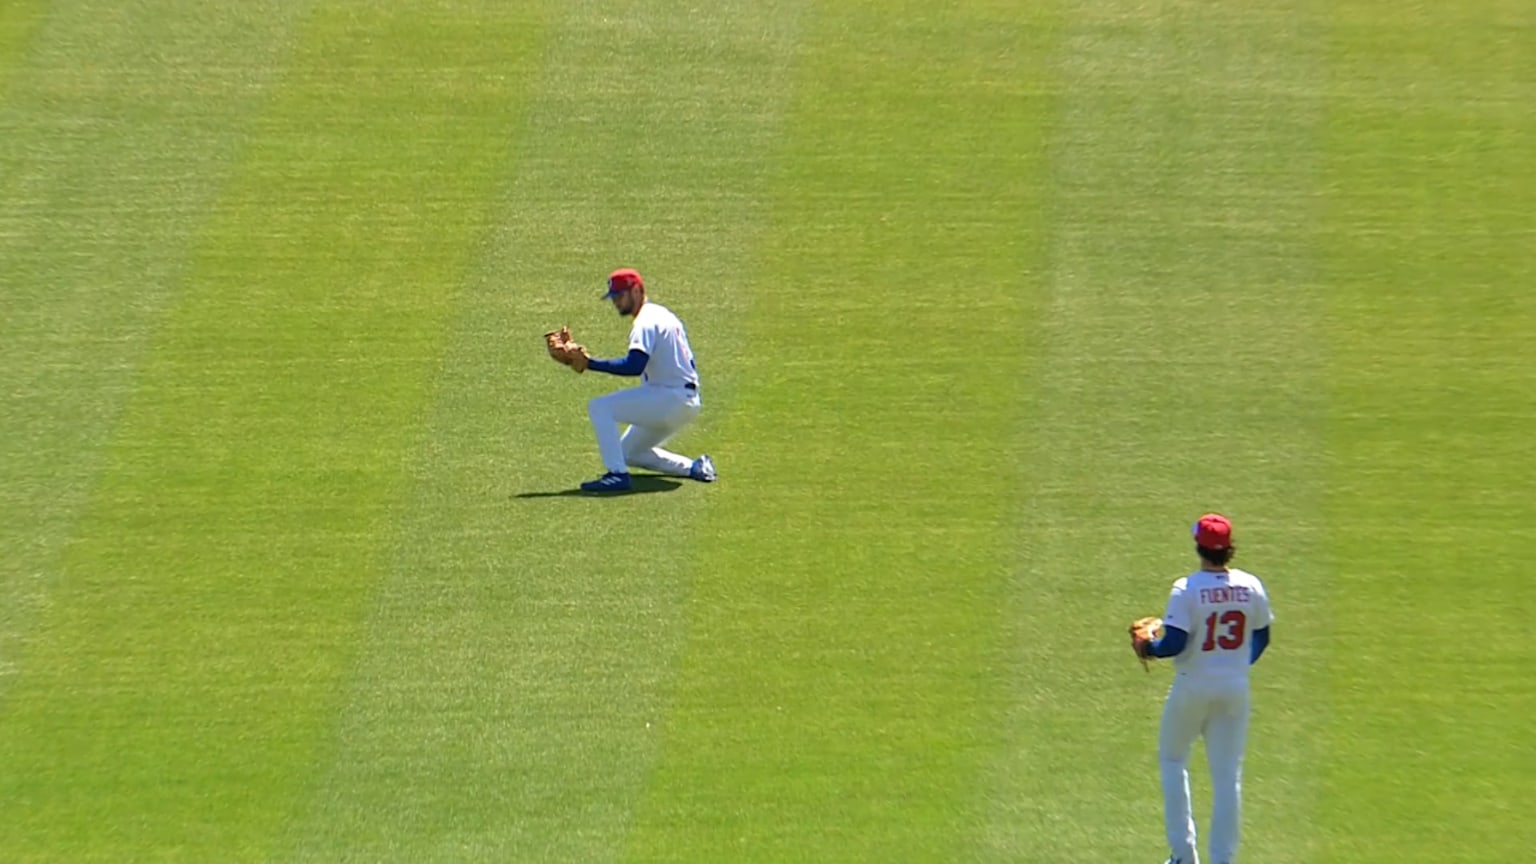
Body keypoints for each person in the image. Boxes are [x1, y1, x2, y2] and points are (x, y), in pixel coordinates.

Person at [1138, 514, 1274, 864]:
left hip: (1192, 687)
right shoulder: (1251, 585)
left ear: (1198, 546)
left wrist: (1148, 646)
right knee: (1228, 775)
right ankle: (1223, 859)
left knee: (1173, 760)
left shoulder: (1187, 588)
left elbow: (1175, 643)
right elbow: (1262, 634)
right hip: (1234, 689)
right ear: (1229, 549)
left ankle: (1184, 856)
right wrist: (1237, 665)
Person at [578, 268, 715, 494]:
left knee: (600, 407)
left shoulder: (645, 322)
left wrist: (590, 363)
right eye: (613, 298)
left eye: (620, 296)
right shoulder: (662, 314)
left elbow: (634, 366)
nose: (616, 302)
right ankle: (693, 467)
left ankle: (617, 475)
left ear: (637, 290)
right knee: (627, 453)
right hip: (684, 401)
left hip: (670, 398)